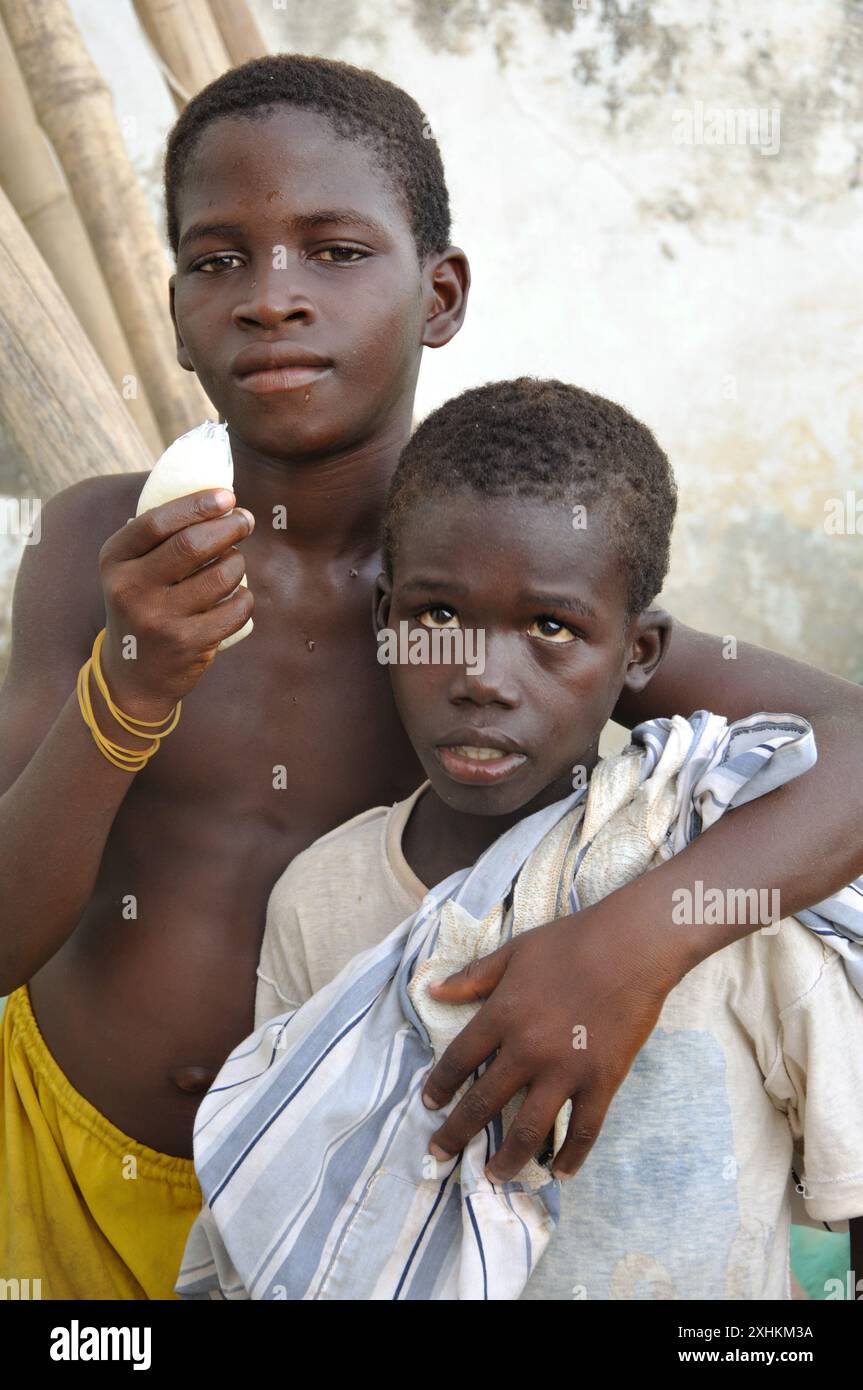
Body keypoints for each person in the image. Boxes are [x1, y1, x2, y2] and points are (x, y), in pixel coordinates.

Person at [1, 56, 861, 1300]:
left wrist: (627, 947)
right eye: (217, 259)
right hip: (62, 1165)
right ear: (178, 308)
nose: (272, 298)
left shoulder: (510, 591)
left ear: (440, 292)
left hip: (357, 1210)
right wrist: (126, 692)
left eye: (334, 251)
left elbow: (845, 745)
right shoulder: (100, 546)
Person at [179, 380, 863, 1301]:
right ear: (385, 623)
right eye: (436, 617)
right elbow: (290, 1207)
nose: (480, 679)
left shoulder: (731, 886)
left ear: (639, 656)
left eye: (549, 627)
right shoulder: (323, 897)